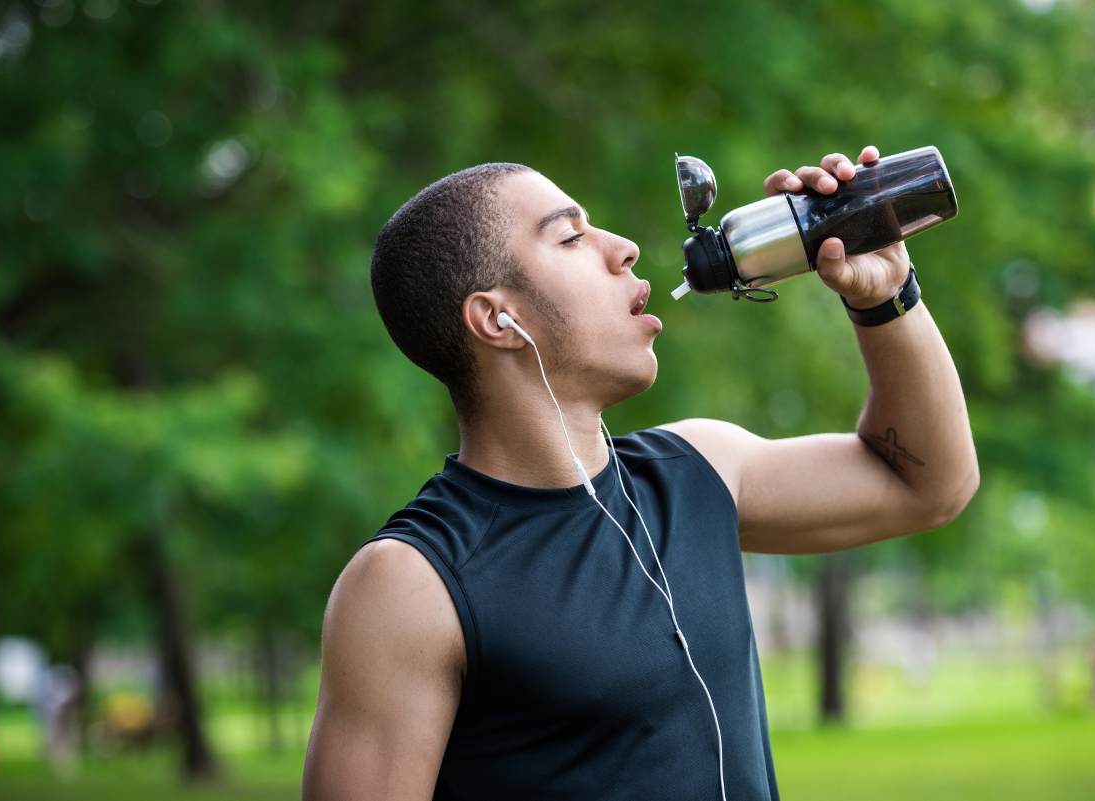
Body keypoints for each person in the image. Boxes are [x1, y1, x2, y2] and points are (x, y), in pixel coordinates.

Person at [302, 146, 979, 801]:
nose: (623, 247)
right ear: (497, 319)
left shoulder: (701, 470)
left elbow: (930, 485)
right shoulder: (408, 585)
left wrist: (886, 294)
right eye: (570, 237)